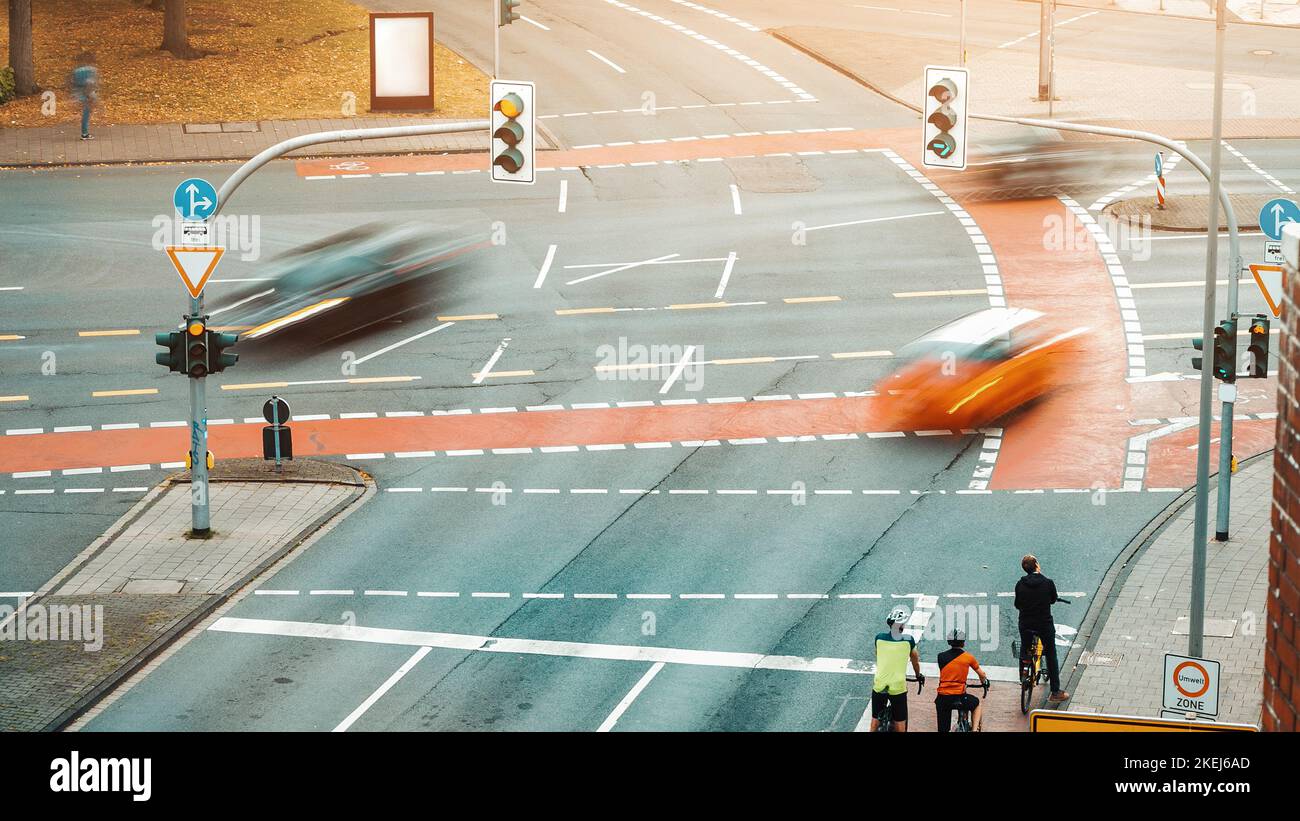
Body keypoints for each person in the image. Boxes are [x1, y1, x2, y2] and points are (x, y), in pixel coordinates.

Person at [1014, 554, 1069, 703]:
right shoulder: (1047, 583)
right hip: (1044, 624)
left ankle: (1023, 677)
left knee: (1025, 648)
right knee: (1051, 654)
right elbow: (1052, 599)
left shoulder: (1020, 584)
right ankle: (1055, 692)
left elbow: (1017, 604)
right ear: (1037, 565)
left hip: (1026, 624)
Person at [869, 607, 924, 732]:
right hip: (897, 686)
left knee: (875, 719)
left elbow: (877, 655)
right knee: (900, 721)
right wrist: (918, 675)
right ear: (901, 626)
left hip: (879, 684)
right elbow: (915, 661)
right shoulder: (908, 640)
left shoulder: (879, 638)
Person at [935, 628, 988, 732]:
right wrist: (984, 682)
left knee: (942, 728)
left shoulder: (941, 657)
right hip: (959, 697)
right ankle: (975, 729)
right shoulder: (968, 657)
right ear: (963, 643)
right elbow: (981, 674)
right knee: (976, 704)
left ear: (949, 641)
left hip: (943, 698)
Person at [70, 53, 99, 141]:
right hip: (87, 95)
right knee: (86, 114)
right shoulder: (91, 70)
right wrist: (90, 96)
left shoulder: (76, 71)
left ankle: (84, 131)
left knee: (85, 113)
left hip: (78, 94)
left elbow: (72, 83)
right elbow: (89, 84)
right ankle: (84, 133)